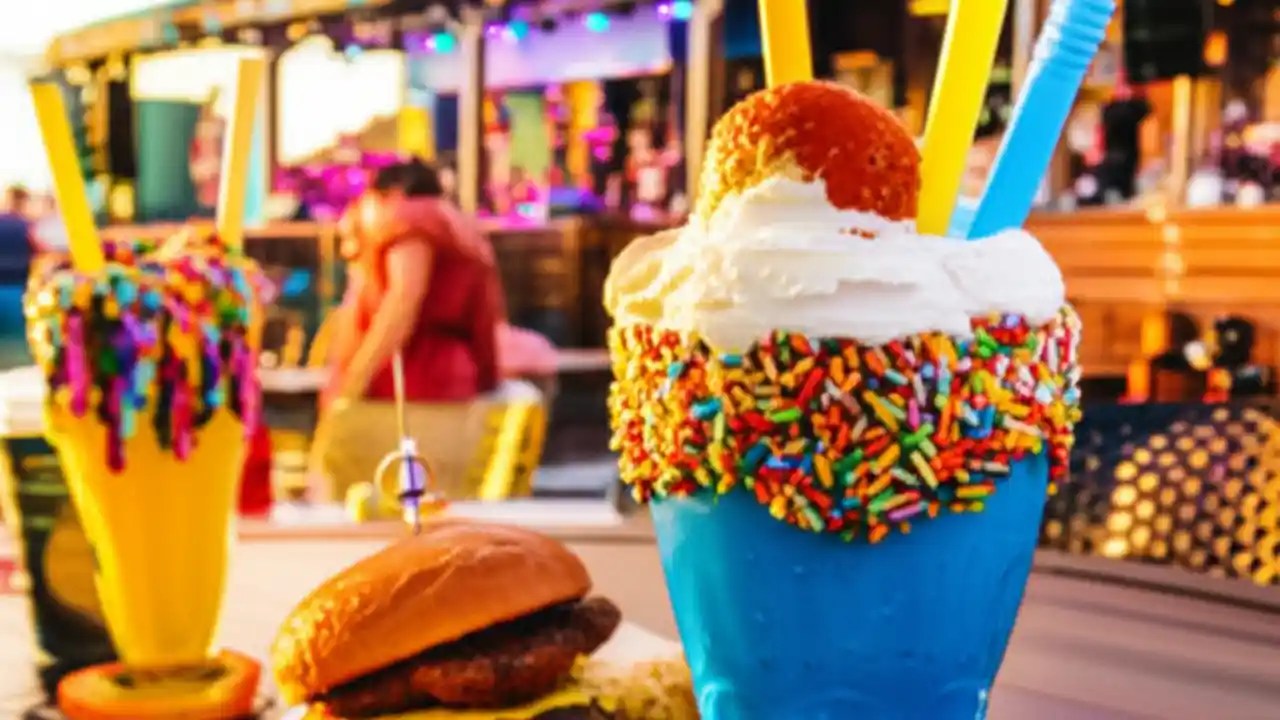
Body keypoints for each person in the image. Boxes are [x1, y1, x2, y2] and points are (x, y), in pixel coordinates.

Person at [313, 159, 503, 501]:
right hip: (448, 389)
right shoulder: (457, 225)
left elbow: (404, 298)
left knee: (383, 509)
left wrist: (354, 380)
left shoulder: (412, 221)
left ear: (392, 193)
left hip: (412, 391)